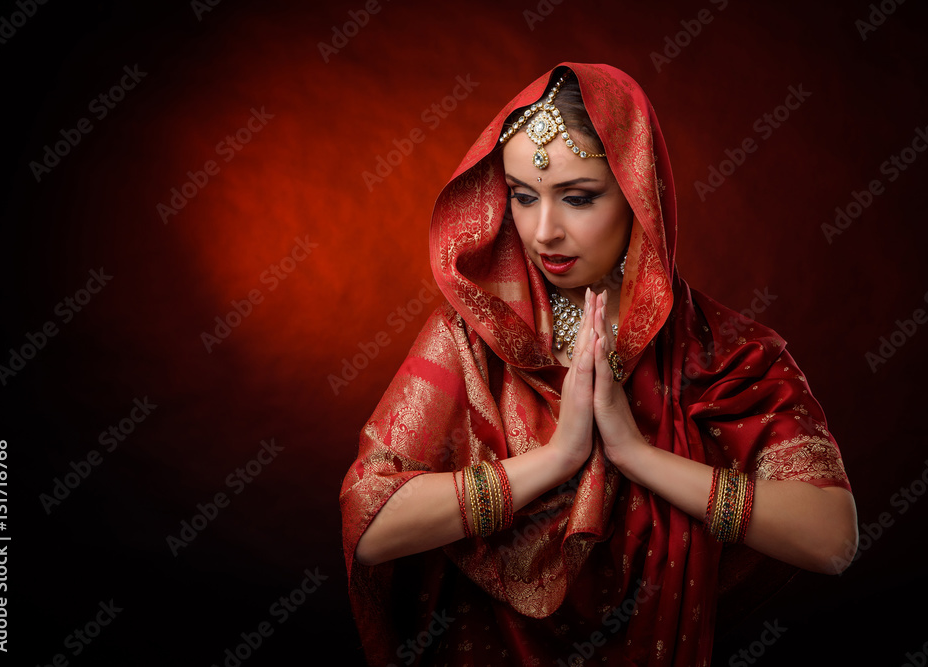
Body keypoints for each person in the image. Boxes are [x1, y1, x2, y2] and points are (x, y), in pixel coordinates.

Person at [340, 62, 856, 666]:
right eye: (524, 197)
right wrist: (556, 459)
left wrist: (638, 454)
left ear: (640, 192)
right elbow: (369, 529)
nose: (544, 231)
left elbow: (832, 537)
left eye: (578, 198)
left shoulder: (726, 353)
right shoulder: (474, 336)